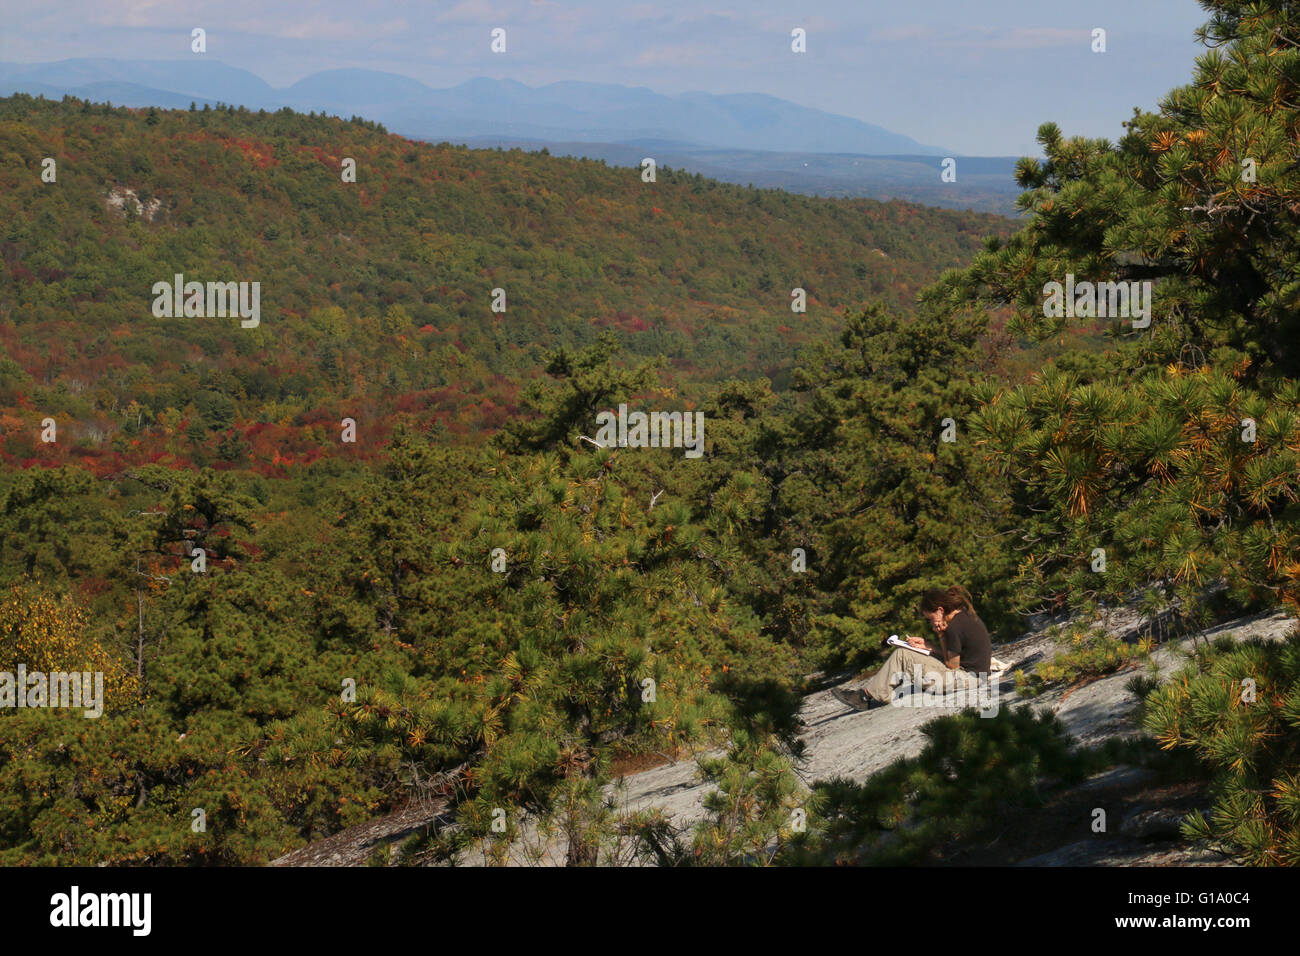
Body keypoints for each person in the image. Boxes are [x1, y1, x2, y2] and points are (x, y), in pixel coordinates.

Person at [832, 585, 993, 711]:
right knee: (907, 653)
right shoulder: (963, 616)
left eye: (930, 618)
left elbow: (952, 665)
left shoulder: (955, 628)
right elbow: (955, 657)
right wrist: (928, 646)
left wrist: (941, 636)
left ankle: (865, 696)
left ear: (940, 610)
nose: (931, 623)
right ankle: (873, 692)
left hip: (969, 678)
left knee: (903, 654)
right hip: (974, 674)